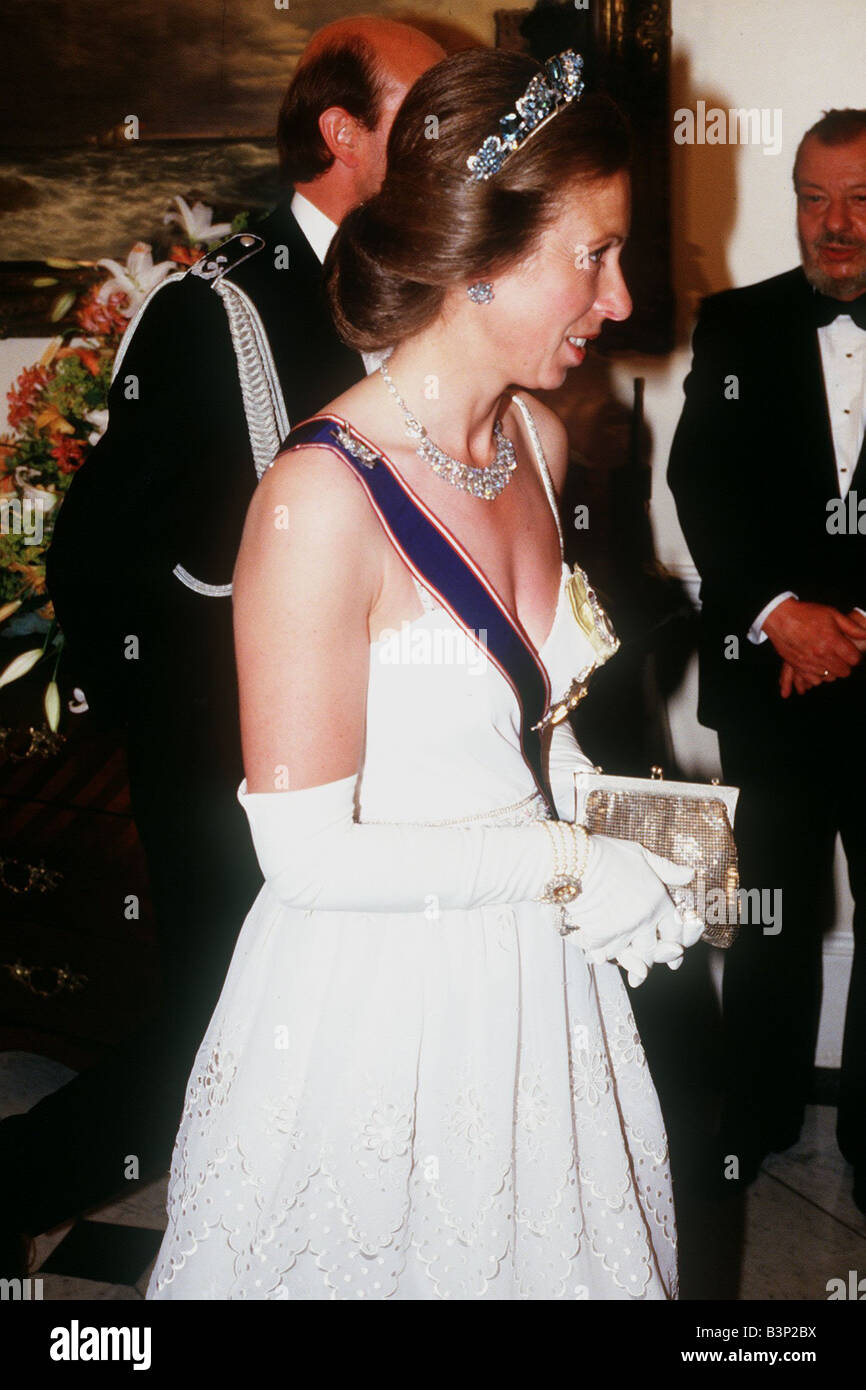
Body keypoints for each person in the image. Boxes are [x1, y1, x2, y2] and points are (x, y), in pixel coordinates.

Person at [147, 48, 706, 1302]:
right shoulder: (317, 500)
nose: (617, 300)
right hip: (373, 990)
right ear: (479, 254)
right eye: (593, 254)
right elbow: (307, 857)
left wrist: (621, 826)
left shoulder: (539, 440)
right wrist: (567, 861)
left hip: (535, 986)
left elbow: (528, 729)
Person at [0, 17, 444, 1278]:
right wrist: (191, 743)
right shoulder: (217, 308)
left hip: (385, 740)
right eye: (421, 107)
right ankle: (27, 1181)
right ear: (341, 131)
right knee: (226, 1024)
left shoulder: (416, 287)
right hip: (226, 751)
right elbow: (97, 559)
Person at [668, 109, 866, 1207]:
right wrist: (782, 612)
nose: (832, 224)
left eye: (859, 200)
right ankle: (749, 1121)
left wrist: (848, 630)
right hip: (770, 674)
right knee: (767, 911)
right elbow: (703, 482)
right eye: (810, 196)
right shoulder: (734, 325)